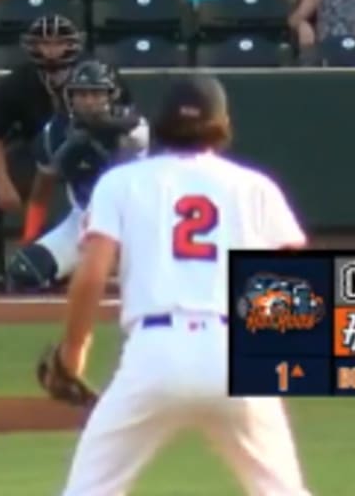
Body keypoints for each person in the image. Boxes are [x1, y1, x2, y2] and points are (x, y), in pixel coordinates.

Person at [48, 75, 312, 496]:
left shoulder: (122, 182)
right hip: (235, 355)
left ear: (160, 124)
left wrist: (73, 352)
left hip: (154, 354)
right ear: (222, 124)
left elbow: (92, 274)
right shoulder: (255, 187)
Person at [0, 14, 99, 293]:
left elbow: (127, 122)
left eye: (58, 42)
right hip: (37, 150)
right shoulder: (20, 81)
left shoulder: (96, 73)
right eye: (45, 43)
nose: (51, 50)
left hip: (95, 152)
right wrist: (2, 182)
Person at [6, 60, 148, 293]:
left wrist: (95, 132)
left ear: (111, 95)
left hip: (137, 221)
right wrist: (30, 234)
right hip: (87, 220)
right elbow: (42, 189)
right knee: (25, 272)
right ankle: (72, 270)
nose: (89, 101)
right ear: (69, 97)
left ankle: (109, 267)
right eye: (81, 94)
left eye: (96, 93)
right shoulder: (55, 133)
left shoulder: (134, 124)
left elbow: (131, 132)